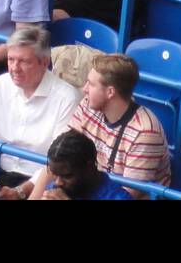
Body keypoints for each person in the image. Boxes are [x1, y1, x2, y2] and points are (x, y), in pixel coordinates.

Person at [0, 26, 78, 195]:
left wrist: (20, 191)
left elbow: (56, 162)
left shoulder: (66, 97)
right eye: (11, 59)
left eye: (24, 61)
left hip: (39, 183)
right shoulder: (1, 84)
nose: (14, 68)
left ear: (44, 62)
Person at [33, 53, 171, 198]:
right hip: (84, 188)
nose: (85, 89)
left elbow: (128, 196)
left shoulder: (144, 132)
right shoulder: (88, 104)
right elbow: (61, 158)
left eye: (91, 84)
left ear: (110, 92)